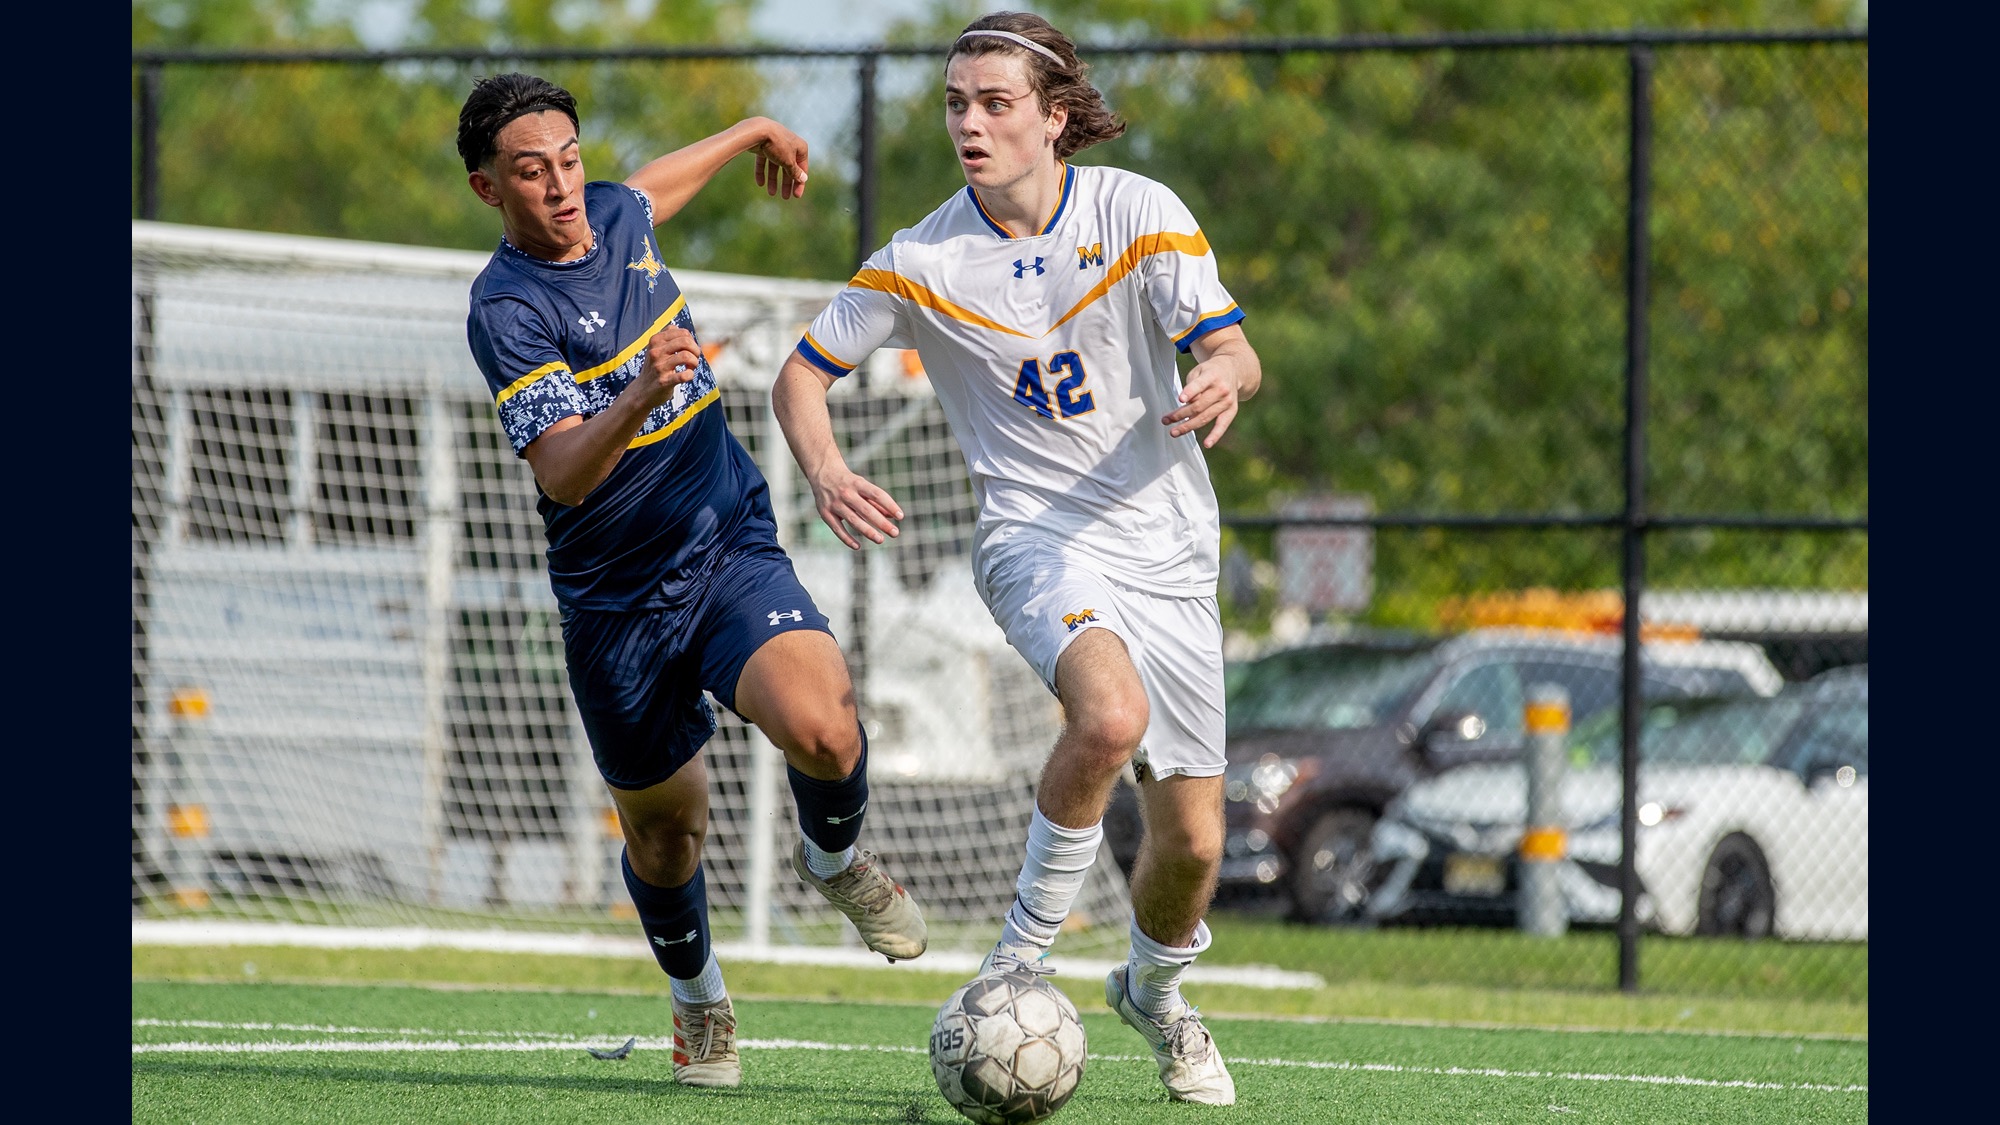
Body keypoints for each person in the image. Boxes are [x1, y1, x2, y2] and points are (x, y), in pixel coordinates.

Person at [770, 13, 1261, 1107]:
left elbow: (1231, 343)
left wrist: (1227, 373)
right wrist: (823, 468)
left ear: (1054, 116)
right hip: (1033, 539)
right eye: (955, 103)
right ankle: (1012, 967)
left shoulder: (1139, 213)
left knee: (1190, 845)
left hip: (1170, 547)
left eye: (994, 103)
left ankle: (1154, 994)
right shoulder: (920, 257)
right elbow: (800, 377)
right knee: (1107, 720)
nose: (970, 123)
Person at [456, 73, 928, 1091]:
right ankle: (699, 997)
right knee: (668, 840)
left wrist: (753, 128)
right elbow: (565, 474)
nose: (561, 186)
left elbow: (651, 188)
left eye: (570, 160)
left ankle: (835, 860)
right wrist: (641, 389)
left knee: (826, 729)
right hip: (614, 603)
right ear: (488, 189)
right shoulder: (504, 309)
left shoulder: (617, 214)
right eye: (530, 173)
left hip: (725, 545)